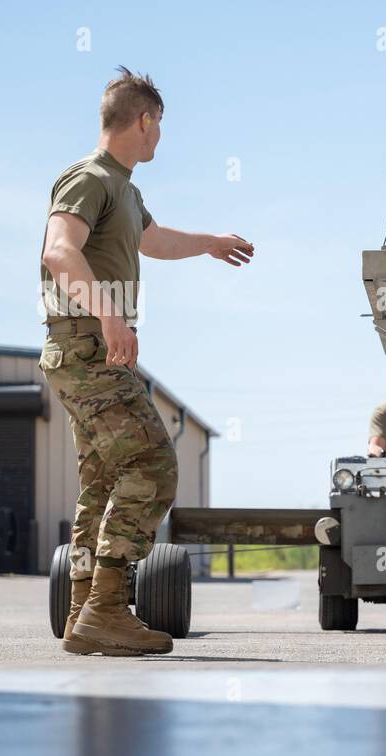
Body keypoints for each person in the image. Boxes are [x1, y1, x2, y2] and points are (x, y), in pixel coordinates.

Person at [39, 67, 254, 656]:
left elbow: (155, 242)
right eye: (160, 126)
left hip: (88, 348)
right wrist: (110, 315)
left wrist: (209, 242)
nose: (161, 138)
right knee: (156, 465)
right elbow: (60, 250)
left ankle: (86, 610)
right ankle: (109, 607)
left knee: (103, 479)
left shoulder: (126, 192)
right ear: (145, 119)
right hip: (87, 345)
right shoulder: (89, 178)